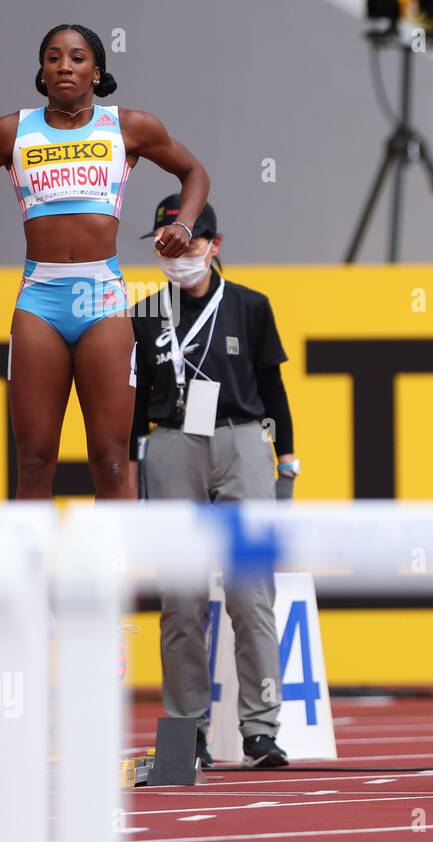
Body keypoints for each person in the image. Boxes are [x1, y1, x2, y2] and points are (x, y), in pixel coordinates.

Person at [0, 23, 210, 500]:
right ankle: (32, 574)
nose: (65, 65)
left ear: (96, 71)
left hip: (101, 297)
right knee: (34, 459)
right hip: (40, 297)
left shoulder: (128, 127)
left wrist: (184, 226)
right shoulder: (8, 132)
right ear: (41, 72)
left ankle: (116, 574)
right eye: (54, 57)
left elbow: (194, 173)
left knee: (110, 459)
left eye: (78, 58)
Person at [129, 196, 298, 769]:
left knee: (252, 592)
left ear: (214, 244)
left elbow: (273, 390)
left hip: (242, 438)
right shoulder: (146, 313)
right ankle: (187, 727)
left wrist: (288, 460)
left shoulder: (250, 306)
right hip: (172, 441)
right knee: (180, 596)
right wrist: (132, 468)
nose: (179, 255)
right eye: (167, 246)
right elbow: (133, 405)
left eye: (189, 243)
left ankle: (260, 728)